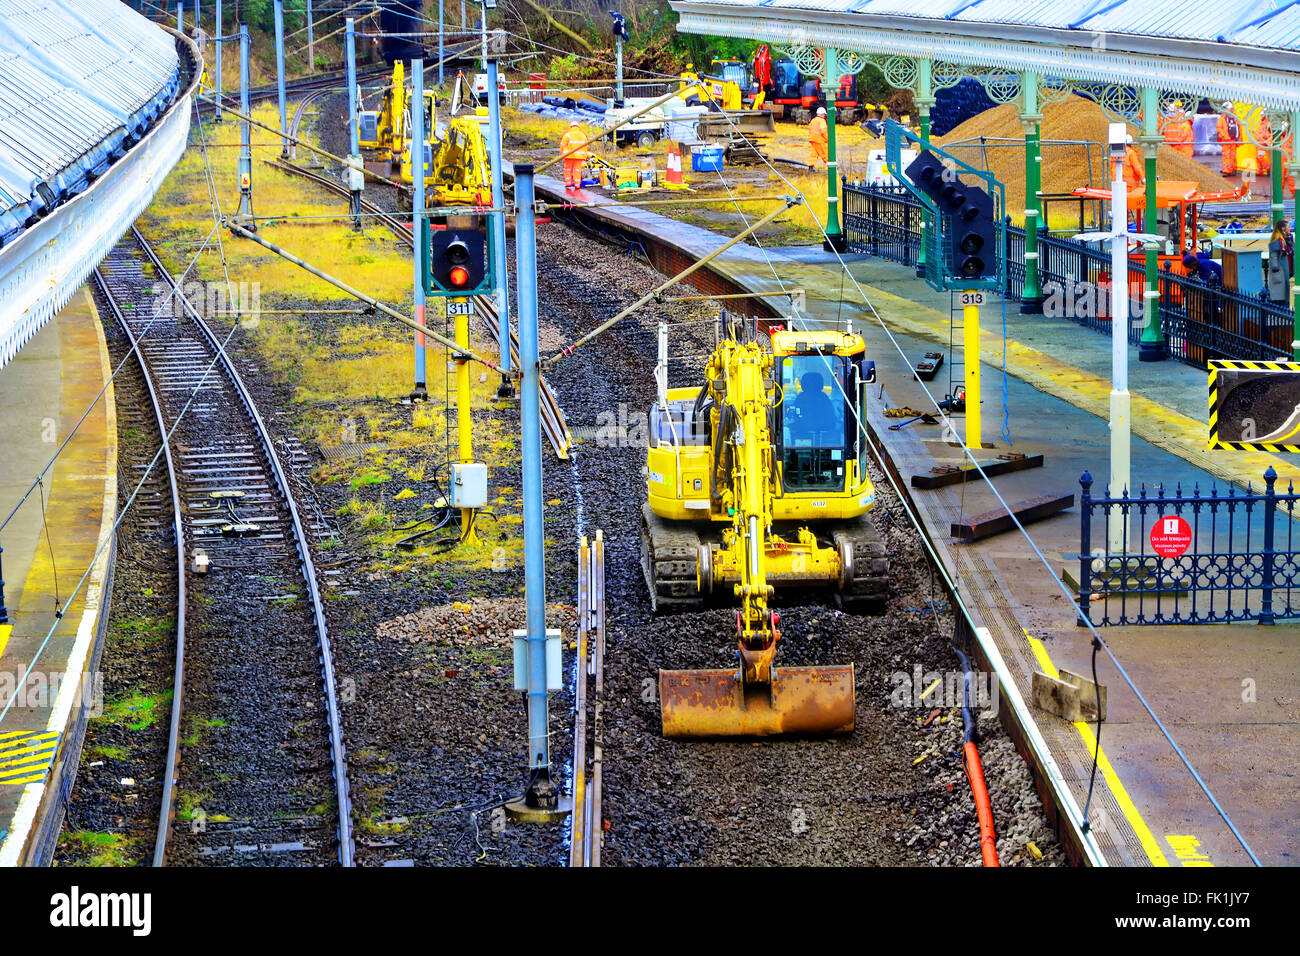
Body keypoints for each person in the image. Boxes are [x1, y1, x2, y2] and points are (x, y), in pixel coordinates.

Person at [791, 370, 837, 440]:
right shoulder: (824, 398)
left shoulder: (801, 398)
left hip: (803, 433)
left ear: (803, 385)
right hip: (824, 432)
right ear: (821, 384)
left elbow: (794, 416)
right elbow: (831, 419)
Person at [1268, 219, 1294, 303]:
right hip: (1280, 270)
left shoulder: (1286, 239)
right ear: (1283, 228)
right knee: (1280, 292)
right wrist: (1276, 270)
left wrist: (1290, 238)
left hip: (1285, 268)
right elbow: (1274, 256)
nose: (1290, 228)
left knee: (1284, 290)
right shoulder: (1277, 240)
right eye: (1288, 227)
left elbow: (1292, 249)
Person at [560, 120, 589, 191]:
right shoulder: (583, 135)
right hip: (579, 157)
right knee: (577, 171)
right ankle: (577, 185)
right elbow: (587, 146)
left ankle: (568, 184)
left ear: (571, 127)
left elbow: (562, 145)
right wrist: (585, 156)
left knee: (568, 170)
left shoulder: (567, 135)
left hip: (569, 156)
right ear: (578, 127)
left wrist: (562, 154)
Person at [1217, 103, 1241, 176]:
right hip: (1226, 141)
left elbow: (1239, 129)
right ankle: (1227, 170)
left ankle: (1233, 169)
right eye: (1231, 109)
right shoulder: (1222, 118)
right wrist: (1225, 136)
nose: (1232, 110)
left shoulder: (1235, 118)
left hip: (1233, 140)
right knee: (1227, 155)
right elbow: (1219, 128)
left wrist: (1239, 139)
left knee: (1232, 155)